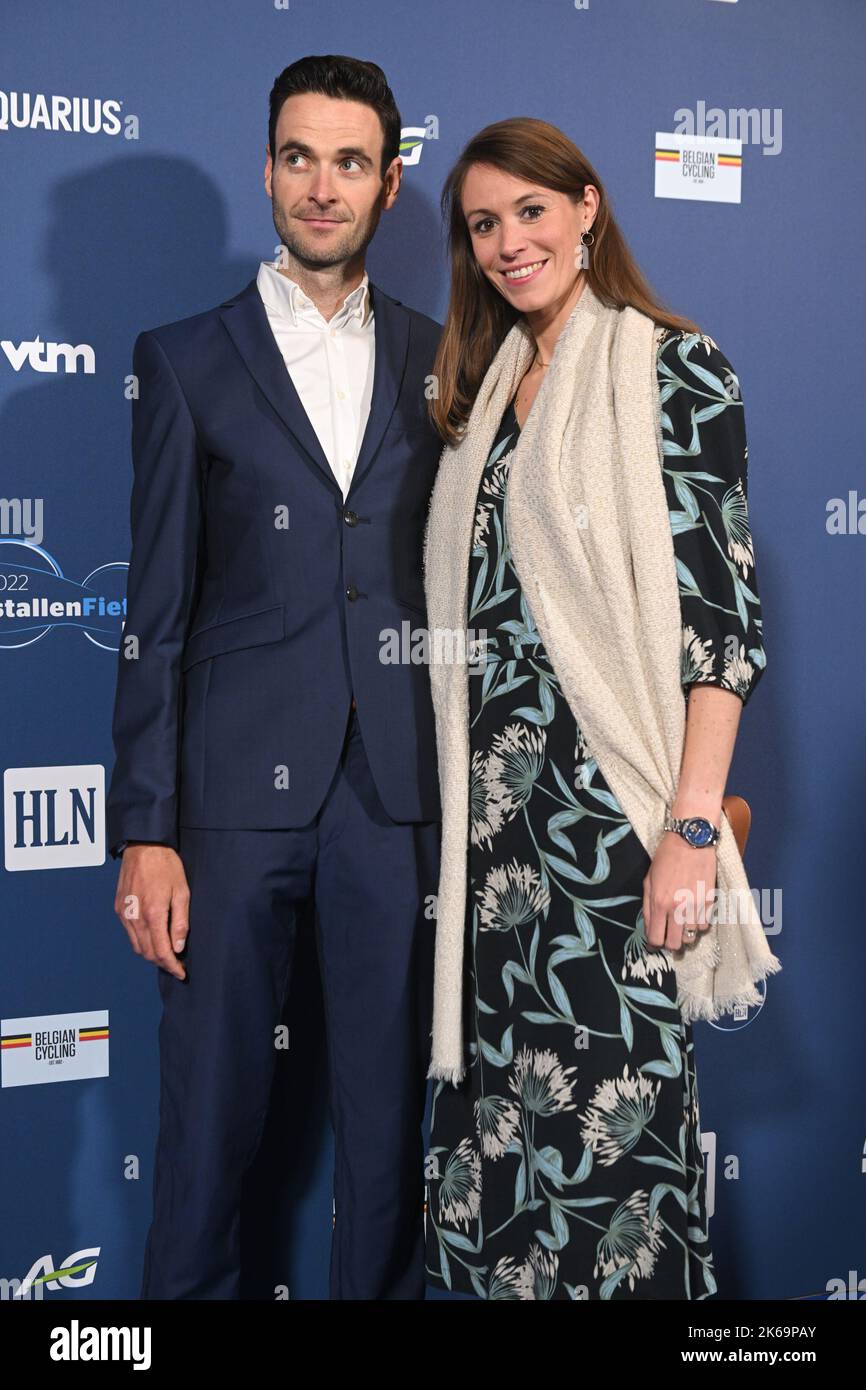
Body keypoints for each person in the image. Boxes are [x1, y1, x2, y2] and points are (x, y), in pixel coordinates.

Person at [421, 117, 780, 1300]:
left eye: (531, 210)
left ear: (586, 209)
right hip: (492, 862)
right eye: (484, 225)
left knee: (611, 1174)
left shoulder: (670, 366)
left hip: (607, 838)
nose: (509, 242)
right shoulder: (479, 405)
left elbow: (718, 627)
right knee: (498, 1169)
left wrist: (688, 829)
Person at [106, 54, 442, 1300]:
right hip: (227, 806)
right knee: (205, 1136)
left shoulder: (443, 359)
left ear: (388, 185)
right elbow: (155, 612)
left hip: (397, 800)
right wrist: (143, 829)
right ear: (265, 169)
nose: (320, 184)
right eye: (298, 156)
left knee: (390, 1136)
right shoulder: (185, 359)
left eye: (348, 160)